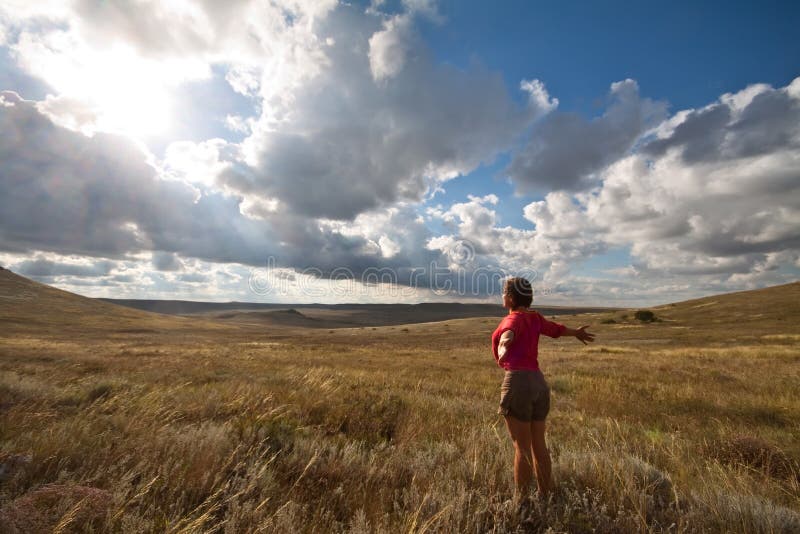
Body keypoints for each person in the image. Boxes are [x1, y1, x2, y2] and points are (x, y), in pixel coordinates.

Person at [491, 277, 595, 500]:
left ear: (510, 297)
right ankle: (545, 495)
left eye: (503, 292)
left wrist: (504, 344)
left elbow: (508, 332)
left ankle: (522, 502)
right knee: (539, 443)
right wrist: (576, 332)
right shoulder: (535, 318)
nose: (502, 296)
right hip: (539, 382)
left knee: (522, 447)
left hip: (518, 382)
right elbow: (556, 330)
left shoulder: (514, 318)